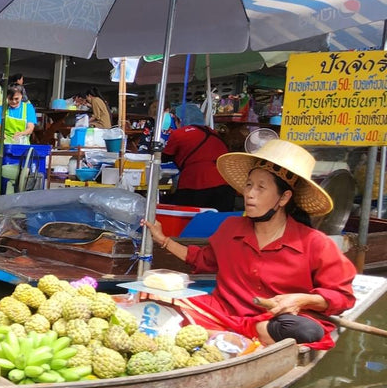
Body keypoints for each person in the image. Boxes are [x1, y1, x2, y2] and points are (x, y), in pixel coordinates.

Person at [142, 139, 356, 350]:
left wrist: (301, 300)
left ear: (283, 198)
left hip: (273, 322)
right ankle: (236, 336)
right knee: (147, 297)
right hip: (223, 314)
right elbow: (203, 260)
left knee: (306, 331)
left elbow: (343, 297)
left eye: (261, 188)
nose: (249, 194)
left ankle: (224, 336)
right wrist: (164, 240)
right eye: (249, 185)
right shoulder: (231, 228)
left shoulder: (314, 242)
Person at [163, 123, 239, 210]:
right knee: (222, 220)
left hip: (196, 183)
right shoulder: (211, 131)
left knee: (189, 220)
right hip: (226, 182)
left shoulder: (178, 133)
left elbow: (164, 157)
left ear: (178, 120)